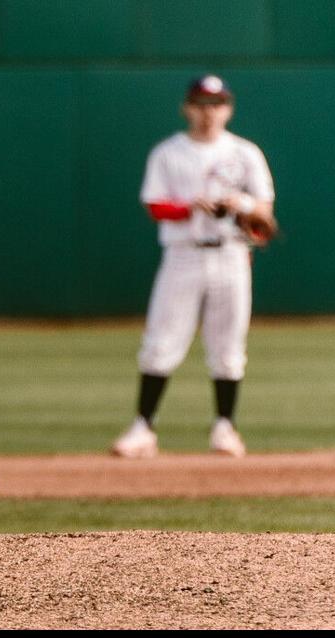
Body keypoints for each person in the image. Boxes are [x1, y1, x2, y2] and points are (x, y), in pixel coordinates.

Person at [110, 74, 276, 459]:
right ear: (187, 108)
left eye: (216, 104)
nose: (208, 112)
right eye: (200, 104)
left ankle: (225, 427)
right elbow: (154, 205)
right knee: (160, 341)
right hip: (183, 254)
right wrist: (189, 207)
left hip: (232, 255)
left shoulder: (246, 153)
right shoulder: (169, 152)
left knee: (229, 344)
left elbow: (265, 214)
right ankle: (143, 428)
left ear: (228, 109)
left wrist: (241, 205)